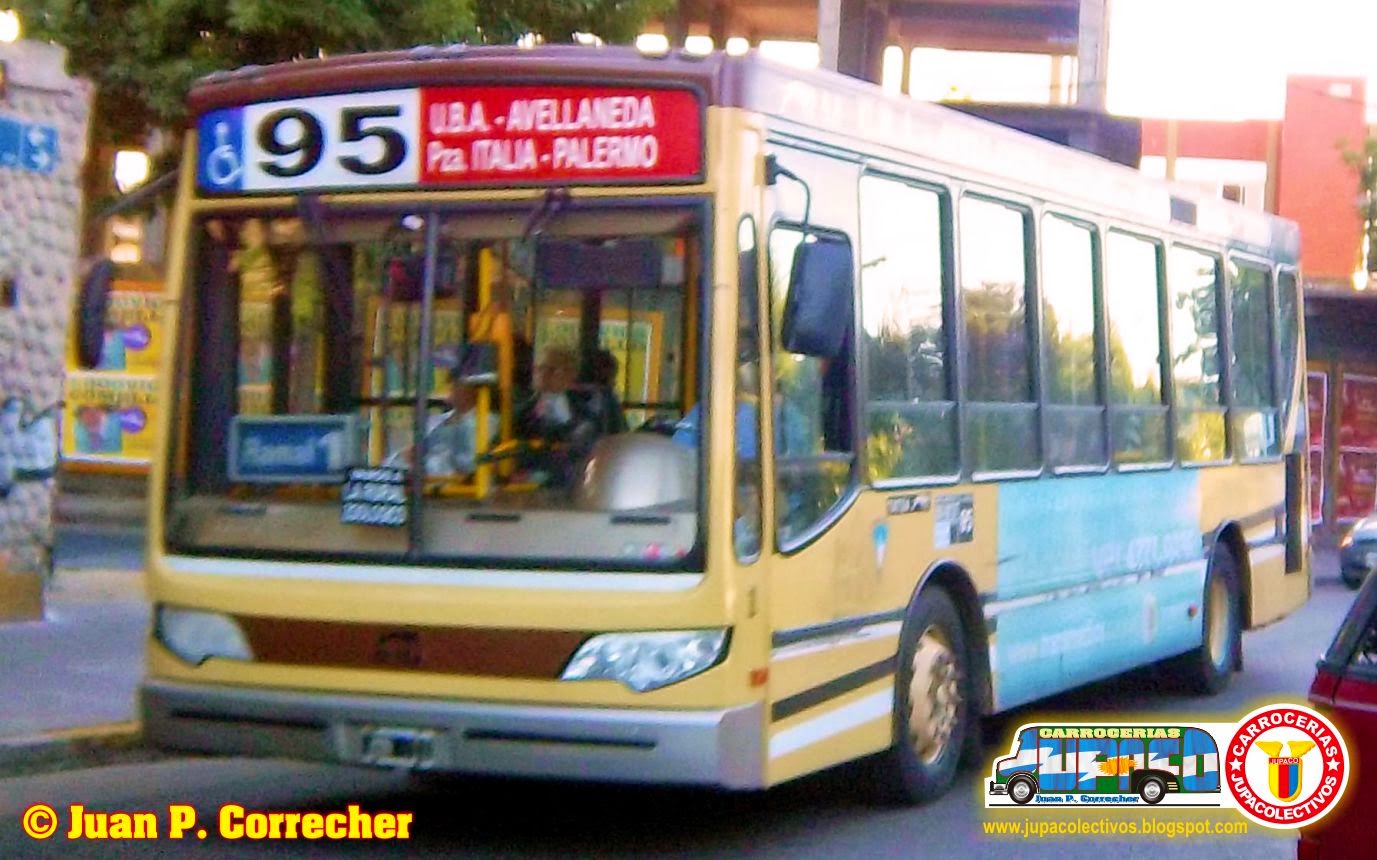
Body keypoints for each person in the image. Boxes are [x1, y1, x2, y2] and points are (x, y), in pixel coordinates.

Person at [389, 368, 497, 476]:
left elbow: (466, 464)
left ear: (475, 391)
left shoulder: (486, 421)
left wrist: (419, 464)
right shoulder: (438, 420)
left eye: (458, 385)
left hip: (442, 482)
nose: (452, 389)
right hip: (408, 475)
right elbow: (415, 450)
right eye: (453, 384)